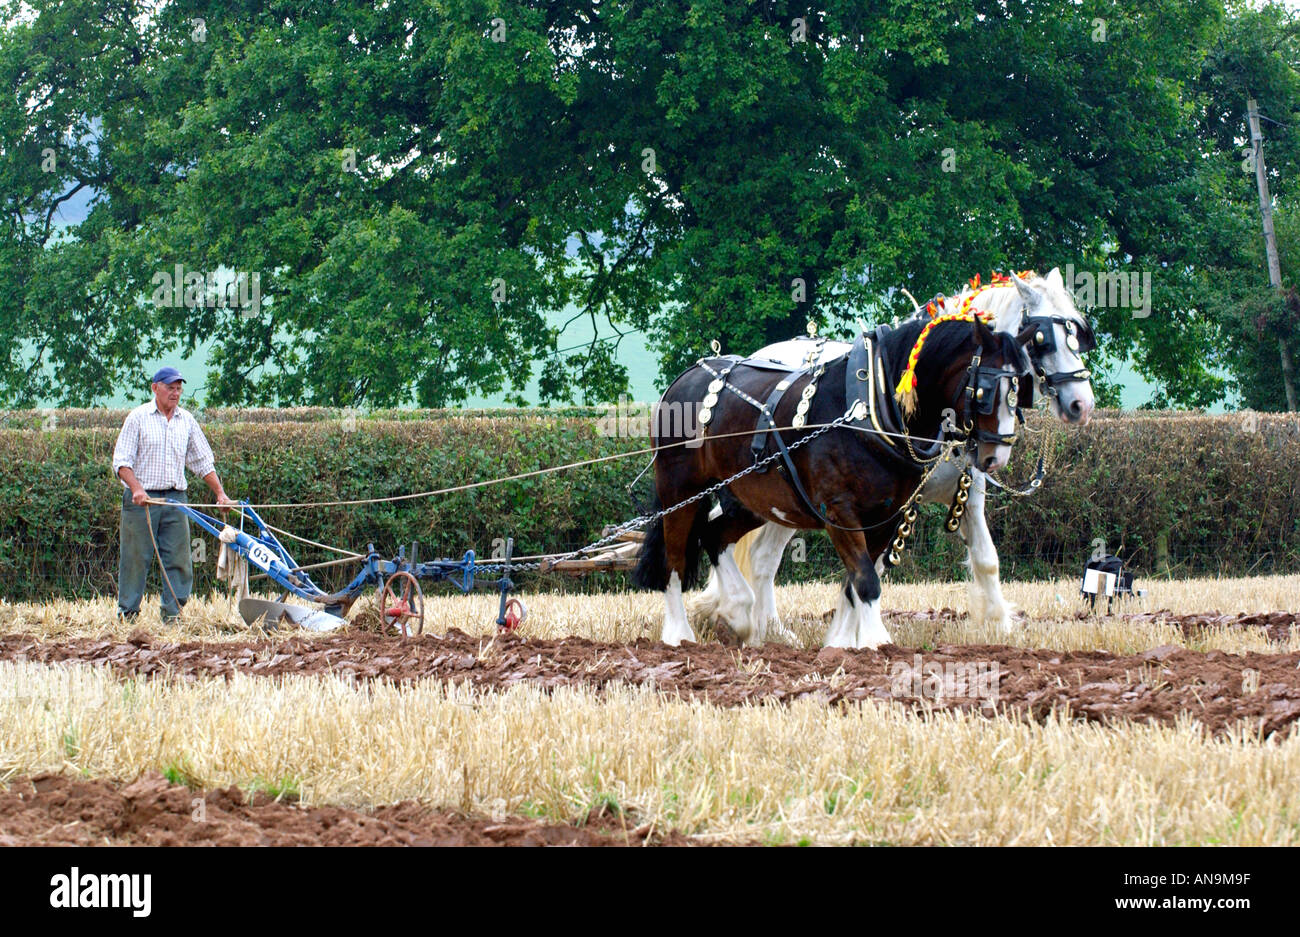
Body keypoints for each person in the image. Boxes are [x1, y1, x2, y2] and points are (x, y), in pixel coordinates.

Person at [111, 367, 235, 622]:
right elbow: (121, 462)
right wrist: (136, 488)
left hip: (176, 500)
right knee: (136, 558)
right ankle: (128, 614)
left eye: (179, 388)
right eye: (170, 387)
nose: (175, 393)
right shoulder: (138, 418)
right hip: (142, 502)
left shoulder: (186, 420)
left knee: (180, 558)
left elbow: (203, 462)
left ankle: (172, 614)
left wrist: (221, 494)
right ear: (155, 388)